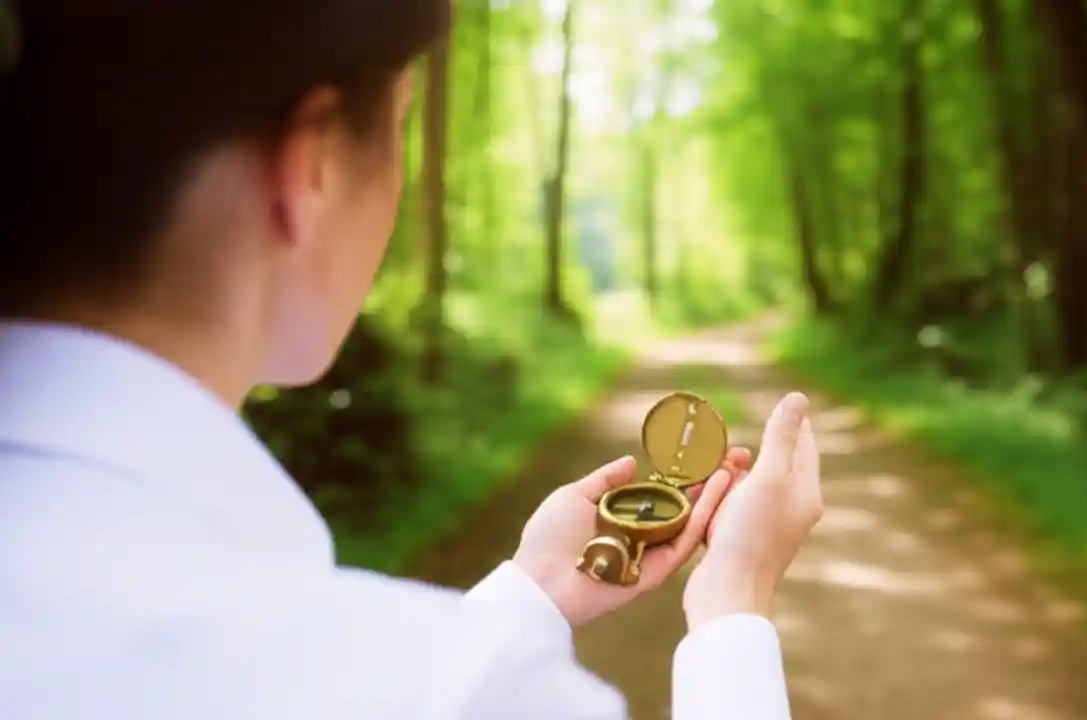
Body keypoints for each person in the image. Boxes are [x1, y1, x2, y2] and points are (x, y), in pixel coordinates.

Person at [0, 1, 823, 718]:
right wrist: (732, 615)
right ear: (312, 164)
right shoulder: (465, 690)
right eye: (399, 125)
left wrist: (529, 596)